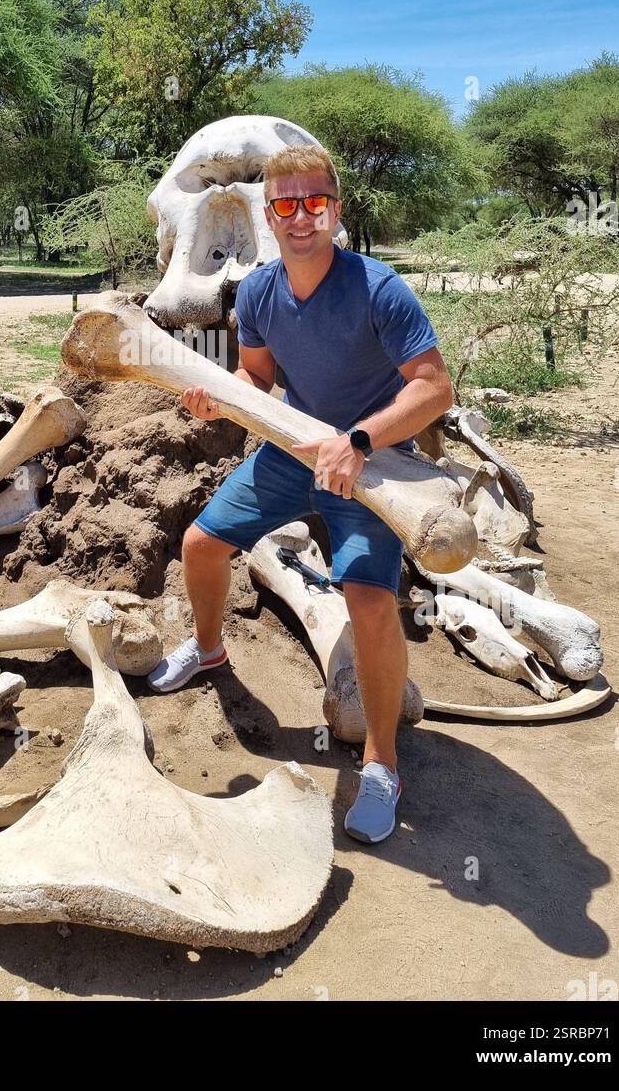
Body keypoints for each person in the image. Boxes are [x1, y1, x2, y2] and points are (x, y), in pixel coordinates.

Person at [147, 143, 454, 843]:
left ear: (335, 210)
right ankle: (206, 648)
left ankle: (380, 763)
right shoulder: (257, 291)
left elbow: (434, 388)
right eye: (284, 205)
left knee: (370, 602)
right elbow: (256, 381)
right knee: (199, 544)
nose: (299, 217)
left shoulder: (378, 288)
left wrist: (362, 442)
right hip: (293, 449)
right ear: (269, 215)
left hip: (373, 466)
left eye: (314, 202)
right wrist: (218, 401)